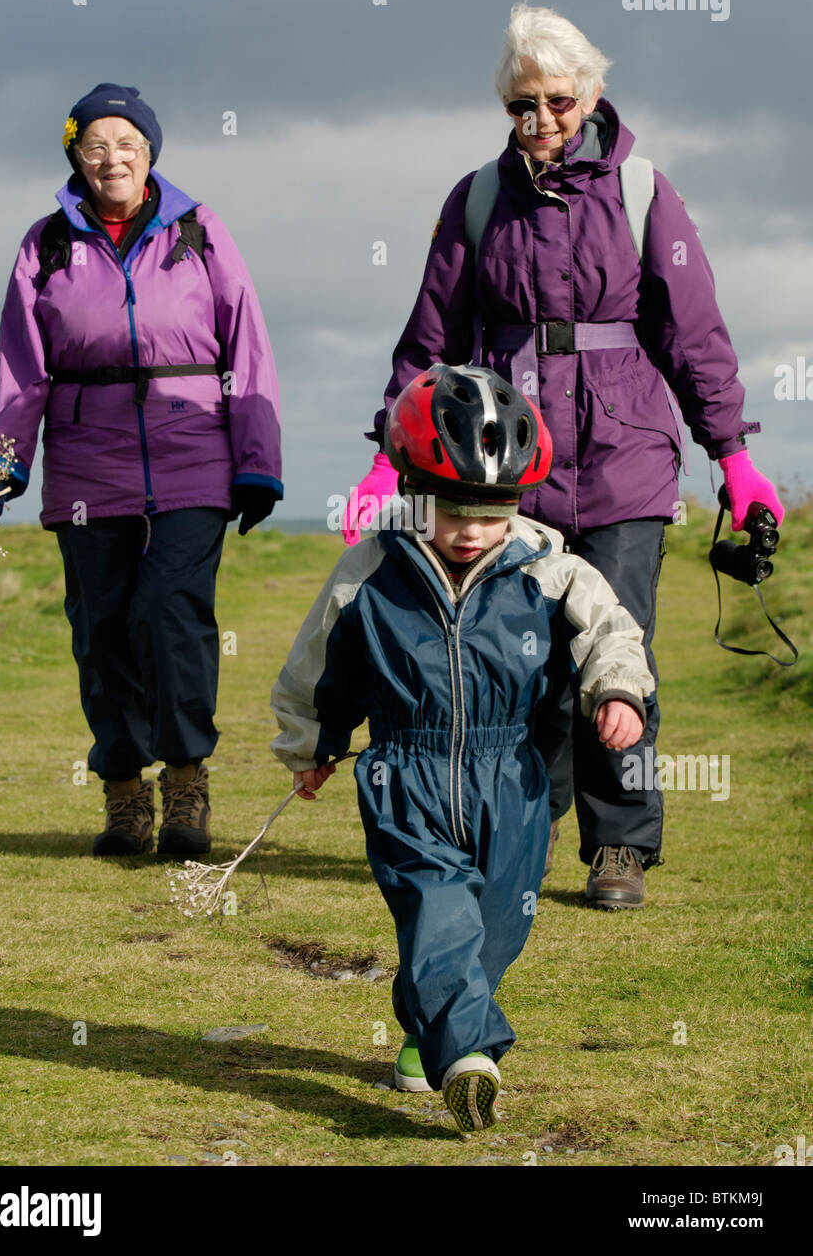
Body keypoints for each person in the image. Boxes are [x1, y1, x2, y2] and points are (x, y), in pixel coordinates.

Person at [342, 4, 783, 909]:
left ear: (591, 93)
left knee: (616, 648)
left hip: (627, 459)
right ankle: (522, 830)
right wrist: (389, 456)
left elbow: (691, 332)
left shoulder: (644, 193)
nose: (540, 120)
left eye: (556, 100)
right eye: (521, 105)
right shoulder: (473, 199)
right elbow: (430, 339)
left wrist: (731, 456)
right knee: (526, 654)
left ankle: (619, 843)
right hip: (511, 465)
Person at [271, 365, 653, 1131]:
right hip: (403, 775)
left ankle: (429, 1029)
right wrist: (312, 743)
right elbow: (320, 665)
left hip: (513, 776)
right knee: (436, 908)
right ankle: (468, 1057)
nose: (472, 529)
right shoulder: (372, 572)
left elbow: (610, 630)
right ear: (413, 487)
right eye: (453, 509)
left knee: (495, 929)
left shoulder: (549, 568)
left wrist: (614, 690)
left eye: (493, 509)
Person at [0, 83, 283, 858]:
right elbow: (21, 368)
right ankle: (123, 791)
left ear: (150, 153)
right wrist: (1, 464)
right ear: (75, 158)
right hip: (88, 467)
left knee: (173, 615)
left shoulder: (199, 232)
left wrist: (257, 463)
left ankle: (186, 780)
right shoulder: (46, 243)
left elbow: (247, 345)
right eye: (95, 145)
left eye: (127, 143)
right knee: (102, 627)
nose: (111, 158)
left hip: (194, 459)